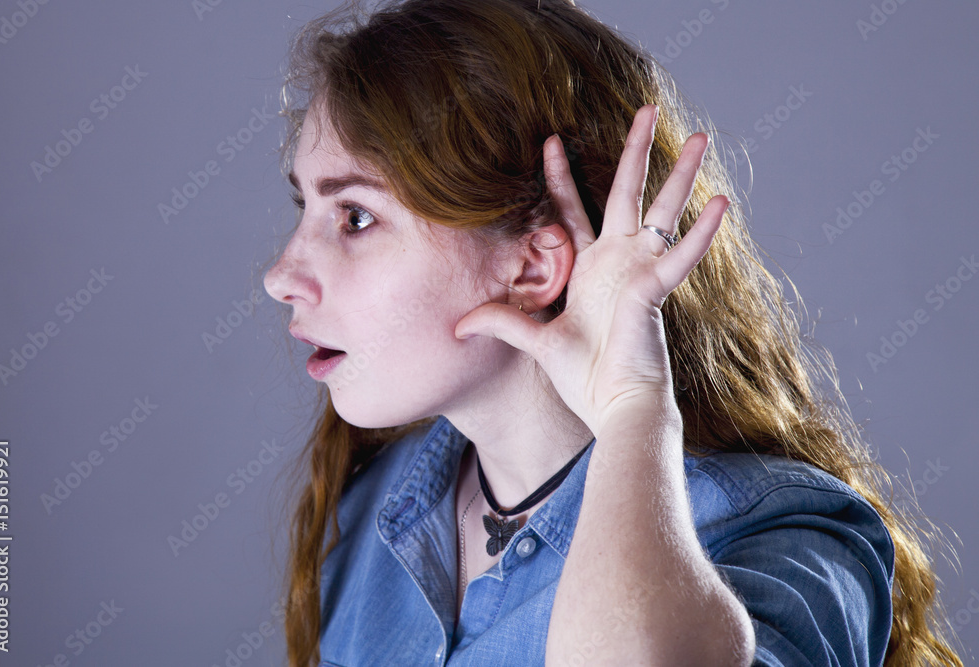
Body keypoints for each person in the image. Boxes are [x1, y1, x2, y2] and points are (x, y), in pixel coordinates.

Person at [262, 0, 963, 664]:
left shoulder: (776, 534)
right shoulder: (379, 509)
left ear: (533, 266)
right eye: (306, 209)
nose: (280, 275)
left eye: (354, 217)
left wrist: (632, 407)